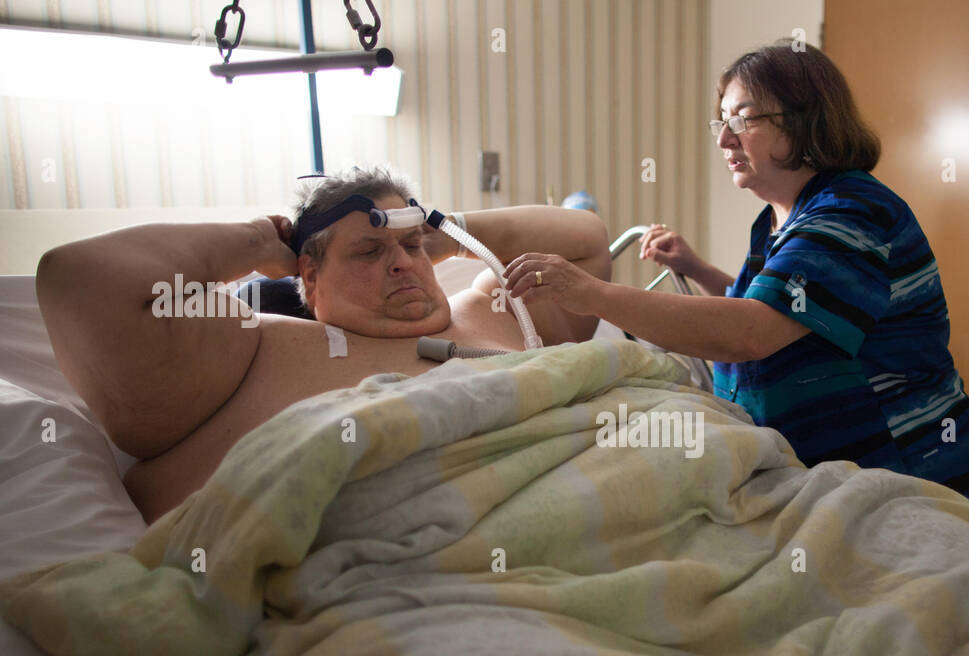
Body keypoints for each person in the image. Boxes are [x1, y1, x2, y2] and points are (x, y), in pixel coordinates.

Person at [502, 41, 969, 506]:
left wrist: (591, 292)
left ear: (806, 121)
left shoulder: (850, 214)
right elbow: (770, 305)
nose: (722, 138)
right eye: (721, 119)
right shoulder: (778, 218)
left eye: (744, 118)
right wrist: (693, 267)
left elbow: (751, 332)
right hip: (821, 468)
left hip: (905, 466)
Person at [35, 166, 611, 522]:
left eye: (411, 248)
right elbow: (80, 283)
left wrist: (446, 231)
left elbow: (588, 243)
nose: (401, 264)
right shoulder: (254, 350)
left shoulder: (496, 310)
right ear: (308, 278)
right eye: (369, 251)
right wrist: (257, 242)